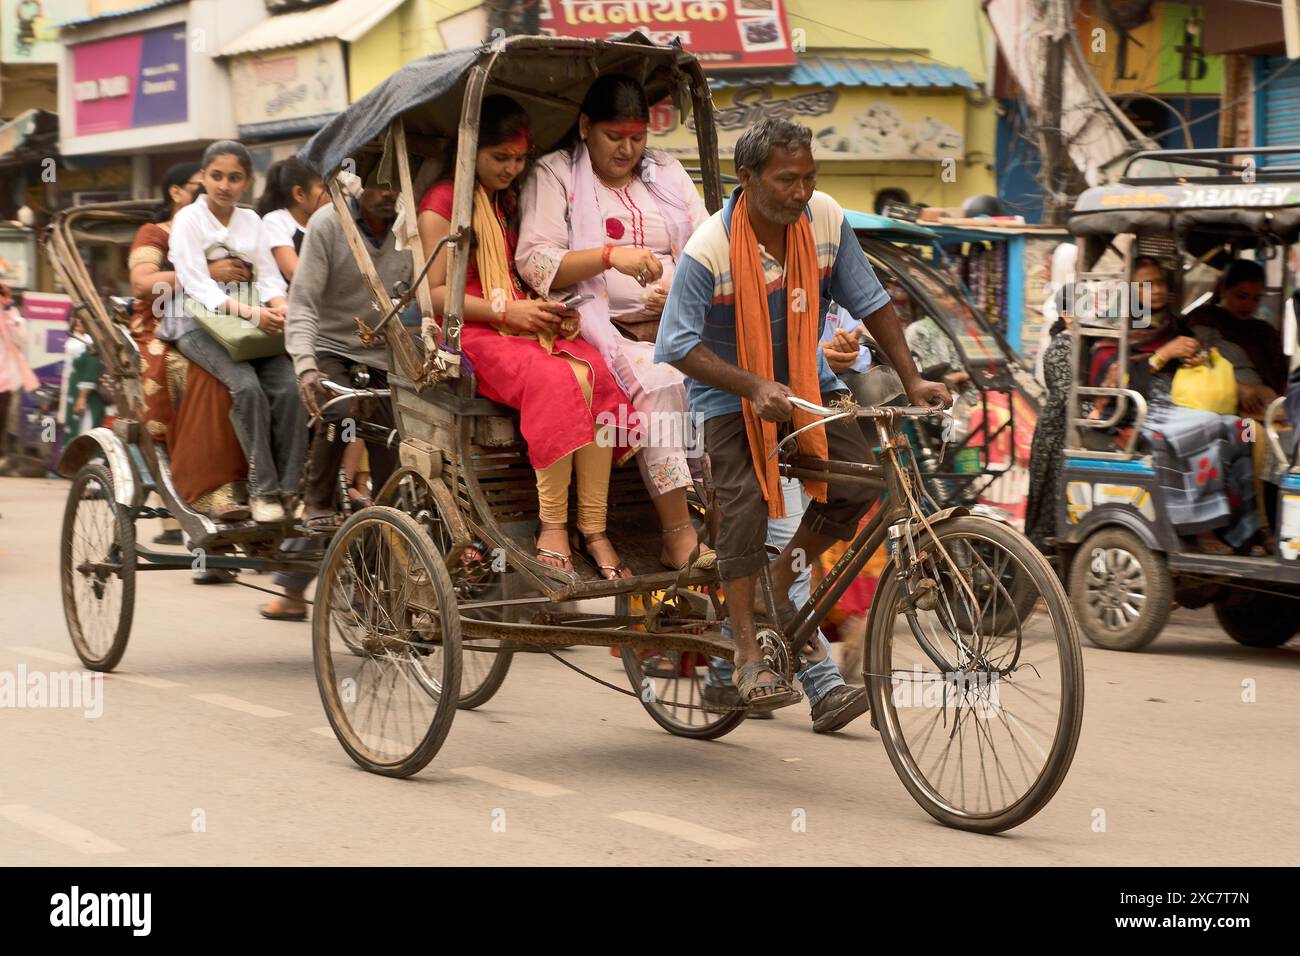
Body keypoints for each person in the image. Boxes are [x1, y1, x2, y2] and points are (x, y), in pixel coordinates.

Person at [655, 117, 949, 710]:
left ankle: (780, 585)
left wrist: (912, 377)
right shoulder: (708, 248)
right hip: (728, 396)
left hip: (803, 387)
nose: (801, 192)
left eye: (809, 177)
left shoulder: (827, 221)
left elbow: (872, 303)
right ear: (748, 179)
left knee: (857, 477)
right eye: (787, 180)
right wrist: (751, 383)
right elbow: (677, 344)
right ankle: (744, 654)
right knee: (741, 509)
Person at [421, 95, 639, 578]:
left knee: (601, 375)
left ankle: (595, 527)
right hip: (469, 329)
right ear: (471, 150)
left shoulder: (509, 199)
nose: (512, 168)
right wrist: (507, 312)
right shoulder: (441, 201)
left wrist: (547, 312)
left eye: (519, 158)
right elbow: (434, 296)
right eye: (501, 157)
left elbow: (523, 276)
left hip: (516, 315)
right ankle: (553, 527)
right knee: (557, 380)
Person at [516, 74, 715, 572]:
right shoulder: (555, 172)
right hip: (602, 334)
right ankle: (678, 535)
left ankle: (728, 517)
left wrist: (687, 288)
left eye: (637, 137)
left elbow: (711, 245)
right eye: (614, 137)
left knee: (734, 382)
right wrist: (609, 257)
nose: (627, 149)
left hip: (683, 327)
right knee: (664, 381)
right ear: (585, 127)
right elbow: (536, 262)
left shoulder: (666, 172)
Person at [165, 140, 307, 524]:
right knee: (246, 389)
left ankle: (292, 491)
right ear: (204, 177)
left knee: (292, 389)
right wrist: (252, 313)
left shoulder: (252, 221)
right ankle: (264, 491)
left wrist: (281, 308)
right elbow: (196, 286)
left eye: (234, 178)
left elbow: (269, 278)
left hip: (250, 326)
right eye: (216, 176)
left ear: (246, 182)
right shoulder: (188, 221)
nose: (224, 185)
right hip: (196, 323)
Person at [1089, 258, 1262, 554]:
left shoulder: (1173, 324)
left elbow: (1192, 356)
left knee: (1243, 430)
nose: (1156, 290)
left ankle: (1247, 532)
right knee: (1206, 427)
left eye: (1160, 283)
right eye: (1147, 284)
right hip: (1140, 410)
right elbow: (1114, 380)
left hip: (1178, 402)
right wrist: (1163, 355)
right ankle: (1201, 529)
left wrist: (1195, 357)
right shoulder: (1114, 325)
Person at [128, 161, 251, 522]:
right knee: (213, 376)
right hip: (166, 329)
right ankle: (210, 490)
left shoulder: (231, 232)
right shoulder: (156, 234)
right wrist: (205, 274)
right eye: (202, 187)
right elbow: (142, 284)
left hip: (229, 325)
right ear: (176, 193)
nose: (215, 192)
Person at [1187, 259, 1286, 416]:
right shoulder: (1205, 319)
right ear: (1224, 290)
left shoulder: (1265, 331)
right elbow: (1195, 366)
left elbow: (1279, 377)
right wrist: (1238, 388)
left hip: (1262, 408)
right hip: (1215, 405)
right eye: (1242, 296)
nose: (1248, 304)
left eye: (1255, 299)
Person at [1024, 283, 1074, 552]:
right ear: (1067, 312)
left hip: (1069, 435)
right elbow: (1068, 395)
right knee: (1048, 512)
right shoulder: (1059, 348)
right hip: (1056, 438)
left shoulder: (1083, 343)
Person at [257, 157, 326, 287]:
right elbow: (293, 272)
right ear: (299, 193)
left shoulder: (329, 223)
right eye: (324, 187)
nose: (331, 194)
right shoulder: (276, 221)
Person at [0, 281, 38, 455]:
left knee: (3, 412)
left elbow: (21, 339)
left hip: (5, 373)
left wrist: (10, 316)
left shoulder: (11, 314)